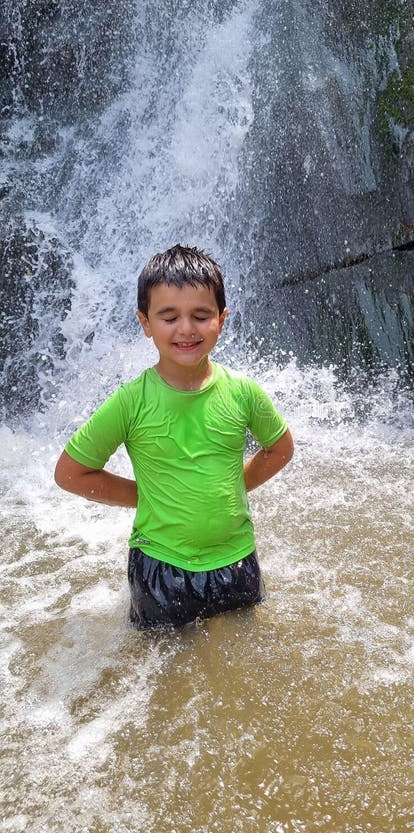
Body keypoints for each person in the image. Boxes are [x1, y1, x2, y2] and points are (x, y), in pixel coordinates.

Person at [54, 244, 293, 630]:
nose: (186, 329)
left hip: (236, 559)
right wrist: (143, 496)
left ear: (222, 318)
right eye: (169, 317)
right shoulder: (130, 402)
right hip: (161, 568)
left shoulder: (243, 391)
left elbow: (280, 448)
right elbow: (71, 473)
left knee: (242, 665)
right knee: (162, 677)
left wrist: (235, 485)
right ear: (145, 322)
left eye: (201, 315)